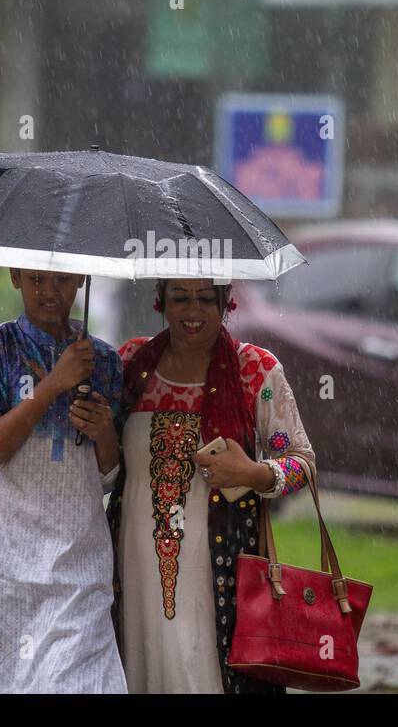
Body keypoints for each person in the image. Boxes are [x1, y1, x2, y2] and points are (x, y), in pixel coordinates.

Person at [108, 277, 316, 693]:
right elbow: (103, 462)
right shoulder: (132, 363)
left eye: (206, 298)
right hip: (134, 570)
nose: (192, 311)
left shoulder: (254, 370)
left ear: (226, 302)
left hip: (219, 574)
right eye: (180, 297)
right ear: (160, 300)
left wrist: (251, 474)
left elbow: (302, 463)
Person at [0, 267, 126, 693]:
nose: (50, 291)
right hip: (6, 564)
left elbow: (108, 477)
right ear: (15, 276)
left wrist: (104, 432)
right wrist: (51, 386)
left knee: (92, 683)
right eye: (36, 279)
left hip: (80, 562)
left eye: (63, 280)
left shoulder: (103, 362)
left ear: (82, 280)